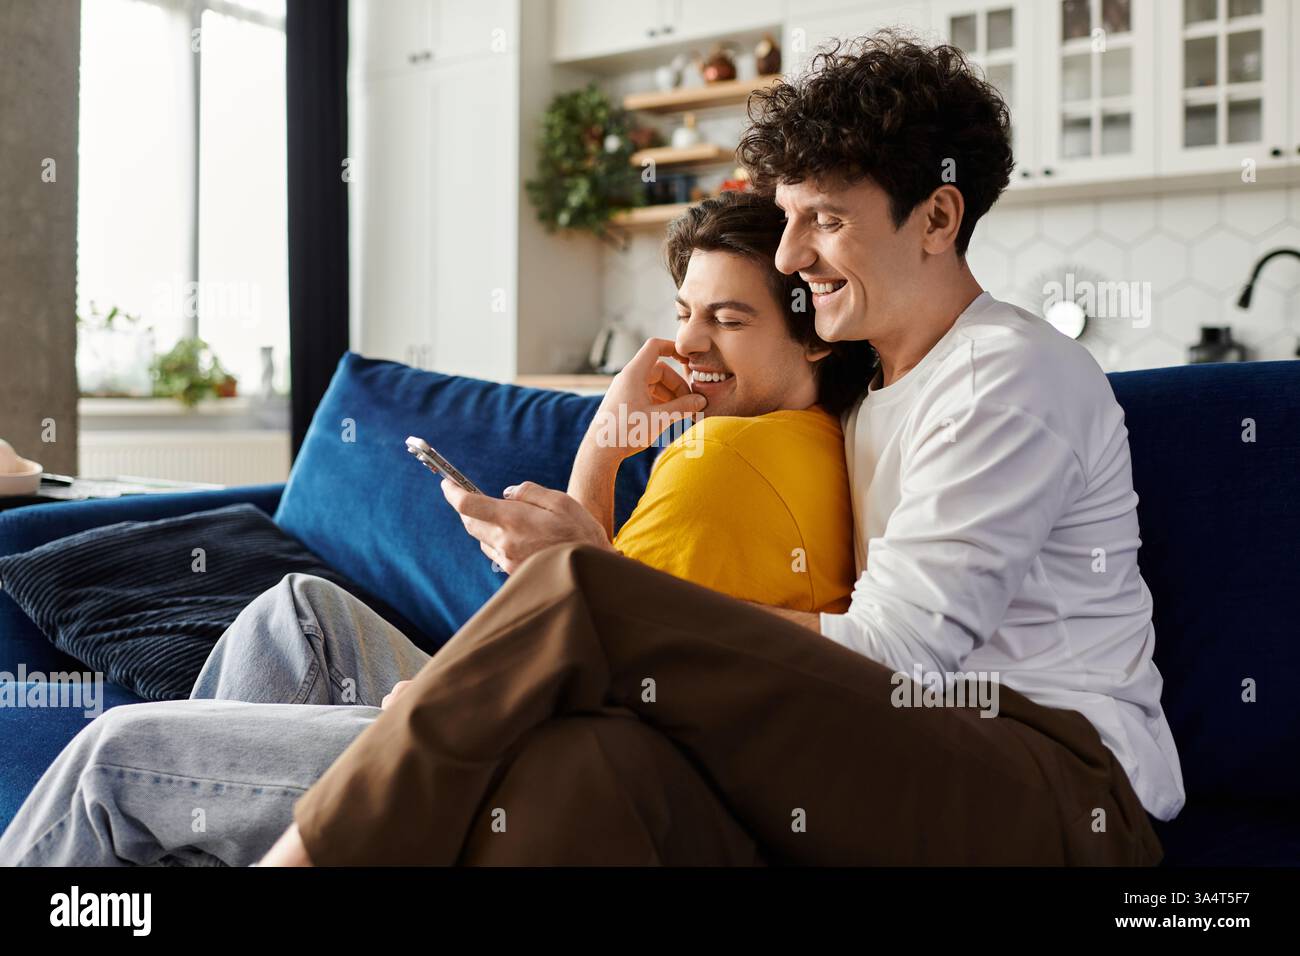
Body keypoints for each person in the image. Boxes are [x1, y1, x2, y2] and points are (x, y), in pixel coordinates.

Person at [255, 33, 1183, 865]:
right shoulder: (870, 391)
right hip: (919, 759)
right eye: (785, 219)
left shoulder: (1008, 376)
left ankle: (309, 856)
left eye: (823, 218)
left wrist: (622, 598)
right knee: (581, 769)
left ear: (938, 218)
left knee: (586, 589)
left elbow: (899, 658)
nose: (787, 257)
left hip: (1060, 786)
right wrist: (616, 470)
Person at [0, 192, 872, 866]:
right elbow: (607, 611)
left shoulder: (730, 468)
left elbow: (588, 665)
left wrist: (434, 700)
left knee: (115, 756)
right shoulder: (785, 443)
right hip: (568, 720)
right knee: (298, 612)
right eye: (685, 311)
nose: (690, 344)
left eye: (730, 318)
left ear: (819, 338)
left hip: (532, 755)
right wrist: (603, 449)